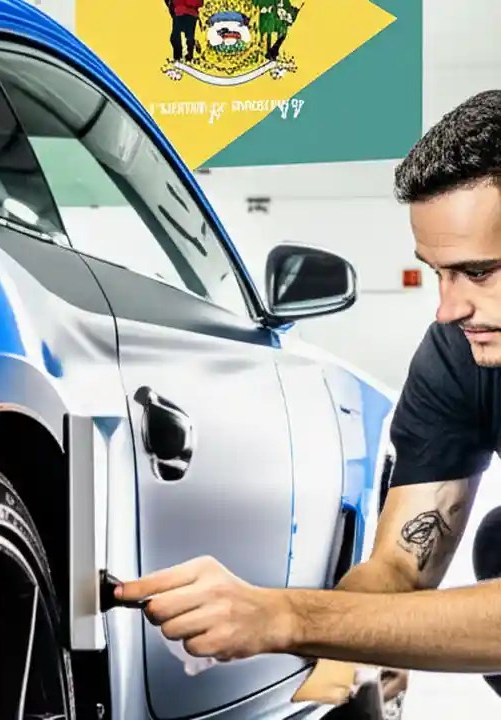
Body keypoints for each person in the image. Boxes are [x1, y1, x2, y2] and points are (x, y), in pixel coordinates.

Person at [115, 89, 501, 705]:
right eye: (437, 272)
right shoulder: (460, 353)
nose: (449, 307)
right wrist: (316, 668)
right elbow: (400, 569)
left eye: (478, 272)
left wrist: (288, 616)